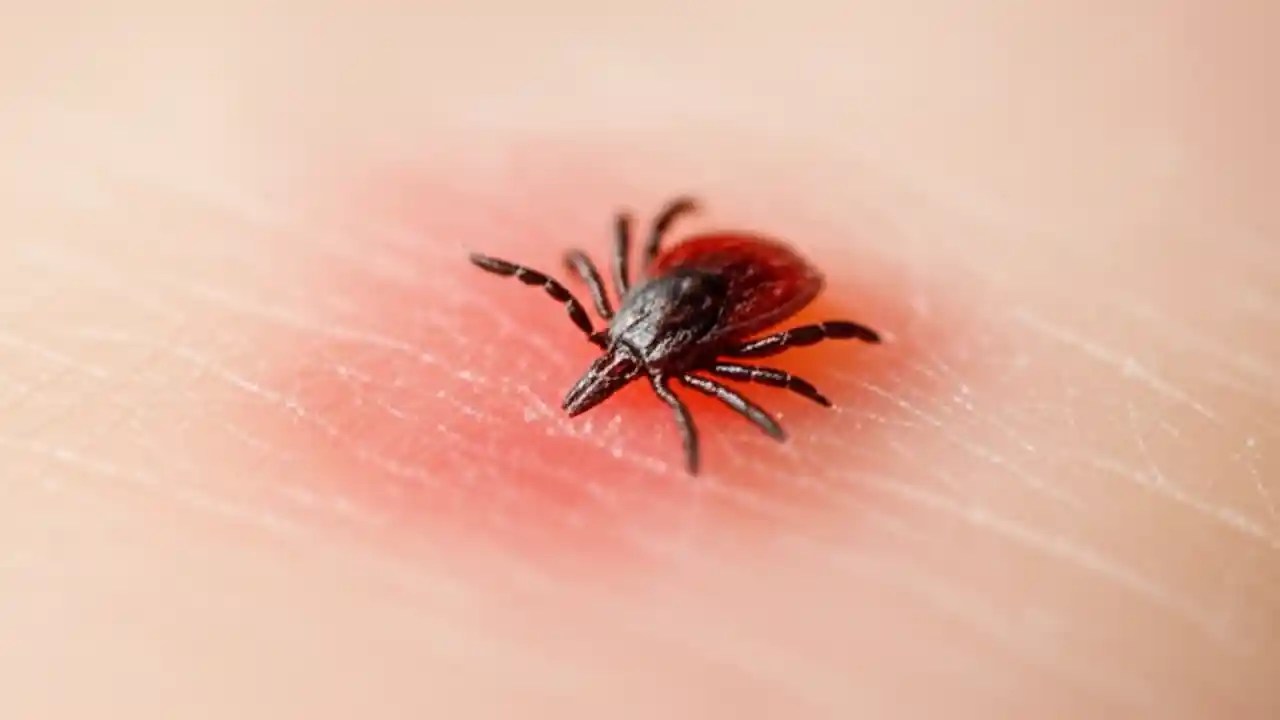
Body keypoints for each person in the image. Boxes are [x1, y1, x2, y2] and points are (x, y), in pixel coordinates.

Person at [2, 3, 1276, 717]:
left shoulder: (690, 353)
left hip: (743, 279)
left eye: (611, 347)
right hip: (724, 275)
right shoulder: (640, 328)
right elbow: (642, 255)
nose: (606, 360)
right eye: (607, 341)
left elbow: (756, 323)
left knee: (778, 355)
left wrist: (794, 391)